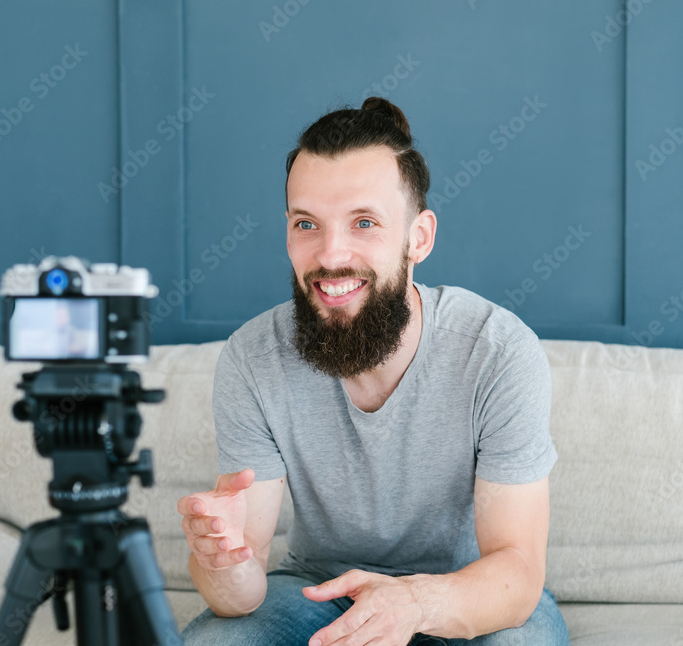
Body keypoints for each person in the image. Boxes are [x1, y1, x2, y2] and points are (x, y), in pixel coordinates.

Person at [178, 97, 569, 645]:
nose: (331, 255)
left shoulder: (498, 352)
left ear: (419, 238)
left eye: (364, 223)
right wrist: (221, 561)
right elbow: (239, 595)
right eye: (307, 224)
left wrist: (413, 604)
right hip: (316, 588)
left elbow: (518, 572)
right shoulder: (252, 358)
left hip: (465, 592)